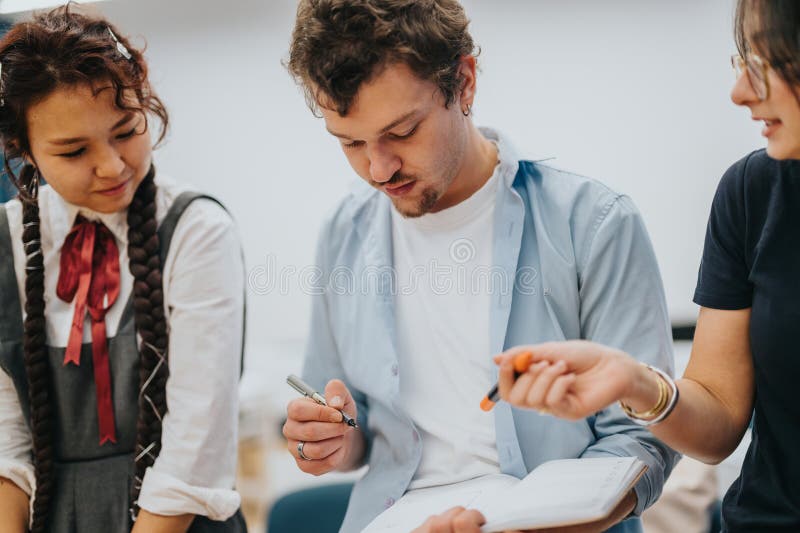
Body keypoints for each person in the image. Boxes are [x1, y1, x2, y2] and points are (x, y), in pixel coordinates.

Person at [280, 1, 679, 532]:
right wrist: (330, 439)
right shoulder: (344, 232)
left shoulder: (595, 223)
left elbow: (644, 440)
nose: (378, 169)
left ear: (463, 84)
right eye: (350, 143)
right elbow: (358, 434)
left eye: (401, 132)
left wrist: (537, 523)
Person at [486, 0, 800, 531]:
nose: (740, 92)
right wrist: (634, 382)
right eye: (742, 61)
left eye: (767, 65)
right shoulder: (752, 193)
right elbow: (719, 421)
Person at [0, 7, 246, 533]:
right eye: (73, 150)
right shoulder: (5, 246)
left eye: (127, 130)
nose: (112, 166)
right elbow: (6, 444)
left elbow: (194, 445)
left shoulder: (194, 230)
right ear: (24, 152)